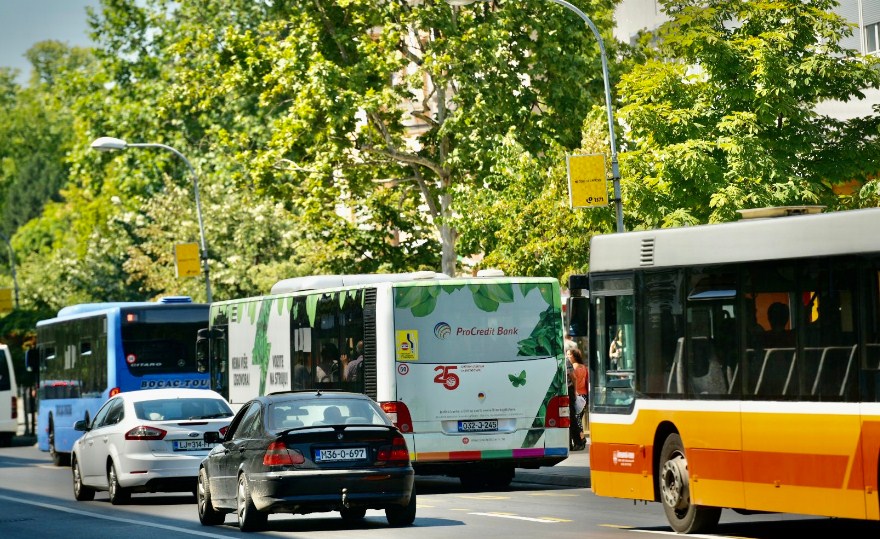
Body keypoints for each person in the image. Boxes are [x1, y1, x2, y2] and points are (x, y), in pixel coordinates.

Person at [566, 357, 586, 451]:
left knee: (571, 418)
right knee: (569, 418)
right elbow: (573, 377)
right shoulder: (565, 360)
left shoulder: (565, 361)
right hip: (567, 390)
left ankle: (579, 442)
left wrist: (574, 392)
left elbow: (573, 377)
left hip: (568, 391)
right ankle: (570, 443)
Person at [567, 347, 588, 428]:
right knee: (579, 419)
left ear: (574, 356)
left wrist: (574, 392)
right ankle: (580, 438)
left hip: (577, 395)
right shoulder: (584, 367)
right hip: (584, 396)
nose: (567, 357)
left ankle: (580, 439)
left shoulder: (573, 367)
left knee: (576, 421)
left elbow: (574, 380)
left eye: (569, 355)